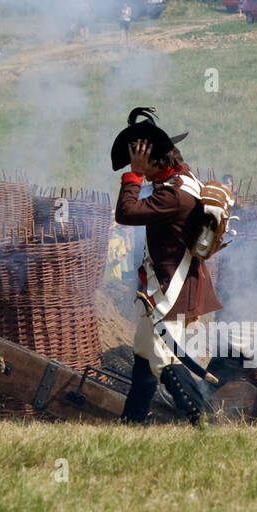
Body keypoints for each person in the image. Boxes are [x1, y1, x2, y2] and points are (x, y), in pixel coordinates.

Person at [111, 107, 219, 424]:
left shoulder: (174, 195)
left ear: (154, 159)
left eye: (142, 157)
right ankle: (132, 420)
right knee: (145, 354)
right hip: (165, 287)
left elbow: (126, 213)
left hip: (172, 289)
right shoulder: (181, 180)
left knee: (161, 358)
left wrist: (134, 174)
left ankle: (202, 421)